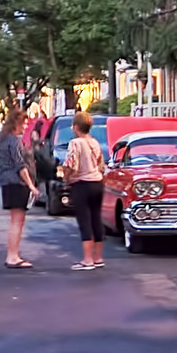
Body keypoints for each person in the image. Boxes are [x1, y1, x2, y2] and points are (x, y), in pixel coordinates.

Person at [62, 111, 107, 271]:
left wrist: (66, 177)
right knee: (96, 219)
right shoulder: (94, 142)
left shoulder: (75, 143)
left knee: (84, 221)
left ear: (76, 127)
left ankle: (87, 259)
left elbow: (70, 164)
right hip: (97, 183)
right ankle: (98, 257)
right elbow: (101, 165)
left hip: (82, 184)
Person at [0, 107, 41, 269]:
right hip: (17, 183)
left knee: (16, 220)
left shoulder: (4, 139)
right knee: (17, 221)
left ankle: (13, 254)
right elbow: (19, 165)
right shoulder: (14, 140)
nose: (25, 126)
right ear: (16, 123)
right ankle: (12, 256)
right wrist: (31, 185)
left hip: (7, 182)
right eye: (23, 123)